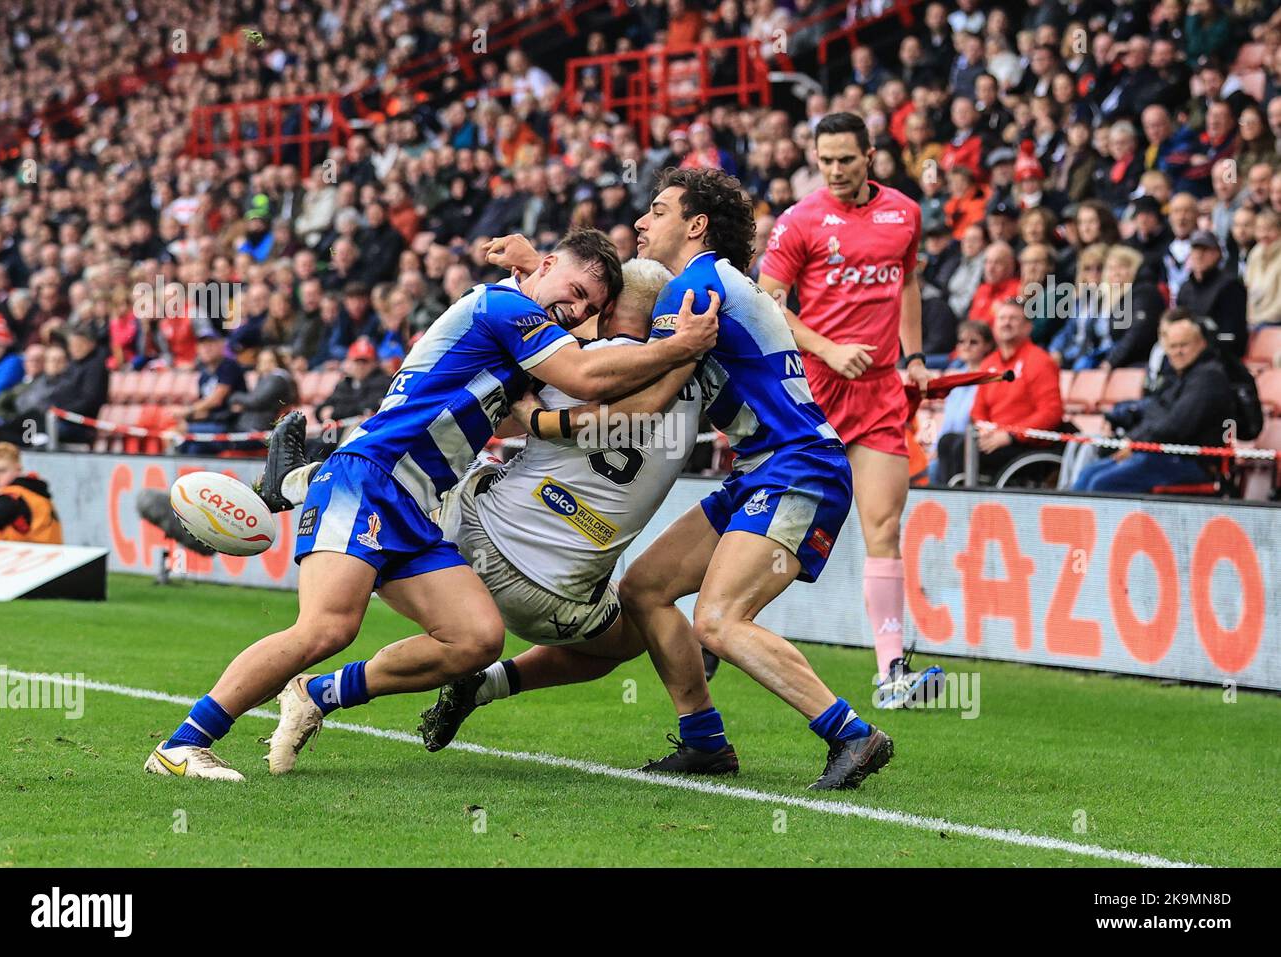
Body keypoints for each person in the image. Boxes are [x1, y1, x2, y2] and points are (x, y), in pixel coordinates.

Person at [145, 228, 717, 781]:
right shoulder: (500, 306)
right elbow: (588, 373)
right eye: (573, 292)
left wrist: (544, 266)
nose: (574, 309)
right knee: (326, 628)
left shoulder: (524, 328)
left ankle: (297, 519)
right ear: (544, 270)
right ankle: (182, 745)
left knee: (474, 640)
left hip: (415, 505)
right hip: (370, 480)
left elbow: (582, 366)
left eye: (588, 304)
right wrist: (681, 347)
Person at [268, 258, 701, 759]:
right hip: (558, 600)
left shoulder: (585, 360)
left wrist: (527, 399)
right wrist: (687, 352)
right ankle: (468, 686)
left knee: (416, 456)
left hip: (481, 534)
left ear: (605, 315)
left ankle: (303, 484)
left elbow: (511, 411)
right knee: (628, 638)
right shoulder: (696, 374)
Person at [615, 167, 893, 790]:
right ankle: (705, 744)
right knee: (644, 589)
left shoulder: (692, 287)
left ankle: (852, 733)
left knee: (718, 621)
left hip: (795, 466)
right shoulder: (716, 281)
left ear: (696, 225)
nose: (641, 221)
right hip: (765, 469)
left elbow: (642, 398)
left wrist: (541, 407)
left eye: (656, 211)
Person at [758, 112, 944, 710]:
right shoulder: (799, 222)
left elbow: (907, 284)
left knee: (883, 529)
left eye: (846, 158)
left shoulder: (905, 214)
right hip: (813, 394)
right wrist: (830, 349)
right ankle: (713, 623)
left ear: (870, 156)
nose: (835, 170)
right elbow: (767, 306)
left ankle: (891, 673)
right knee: (772, 523)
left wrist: (914, 356)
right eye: (825, 159)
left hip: (881, 394)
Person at [1073, 314, 1233, 493]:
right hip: (1157, 453)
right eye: (1173, 346)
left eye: (1184, 345)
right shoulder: (1178, 375)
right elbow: (1153, 412)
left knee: (1100, 484)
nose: (1178, 352)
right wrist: (1130, 434)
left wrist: (1136, 443)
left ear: (1201, 344)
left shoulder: (1208, 378)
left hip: (1190, 461)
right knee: (1087, 474)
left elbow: (1176, 427)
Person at [936, 297, 1065, 484]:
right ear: (994, 326)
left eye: (1014, 319)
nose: (1006, 323)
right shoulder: (989, 363)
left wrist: (1011, 435)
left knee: (961, 448)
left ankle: (964, 502)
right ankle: (948, 504)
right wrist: (985, 430)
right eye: (1002, 318)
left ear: (1028, 327)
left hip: (1023, 445)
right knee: (947, 441)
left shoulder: (1040, 361)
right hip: (992, 438)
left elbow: (1051, 412)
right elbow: (978, 410)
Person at [926, 320, 995, 485]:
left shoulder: (990, 377)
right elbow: (949, 419)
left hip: (969, 445)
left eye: (974, 342)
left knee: (934, 470)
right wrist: (935, 448)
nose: (966, 346)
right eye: (962, 341)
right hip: (948, 445)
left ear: (987, 345)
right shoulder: (956, 377)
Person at [0, 442, 62, 543]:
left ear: (18, 469)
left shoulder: (12, 497)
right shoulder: (36, 493)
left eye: (1, 470)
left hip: (29, 556)